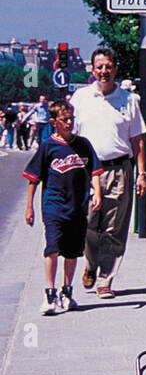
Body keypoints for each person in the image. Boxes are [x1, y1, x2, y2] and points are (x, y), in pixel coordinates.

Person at [69, 47, 146, 299]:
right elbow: (70, 137)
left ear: (115, 69)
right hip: (87, 171)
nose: (104, 71)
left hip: (118, 170)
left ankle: (105, 278)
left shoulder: (129, 100)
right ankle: (91, 265)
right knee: (89, 224)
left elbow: (138, 140)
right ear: (92, 70)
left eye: (108, 66)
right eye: (99, 66)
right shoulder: (80, 98)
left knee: (114, 228)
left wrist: (142, 173)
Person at [23, 99, 102, 315]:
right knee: (52, 248)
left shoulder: (83, 144)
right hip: (54, 205)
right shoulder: (48, 146)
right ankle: (49, 293)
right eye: (64, 120)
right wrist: (29, 207)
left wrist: (97, 192)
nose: (69, 123)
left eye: (71, 119)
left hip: (77, 205)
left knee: (72, 251)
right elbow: (33, 179)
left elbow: (94, 170)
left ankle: (67, 292)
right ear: (53, 122)